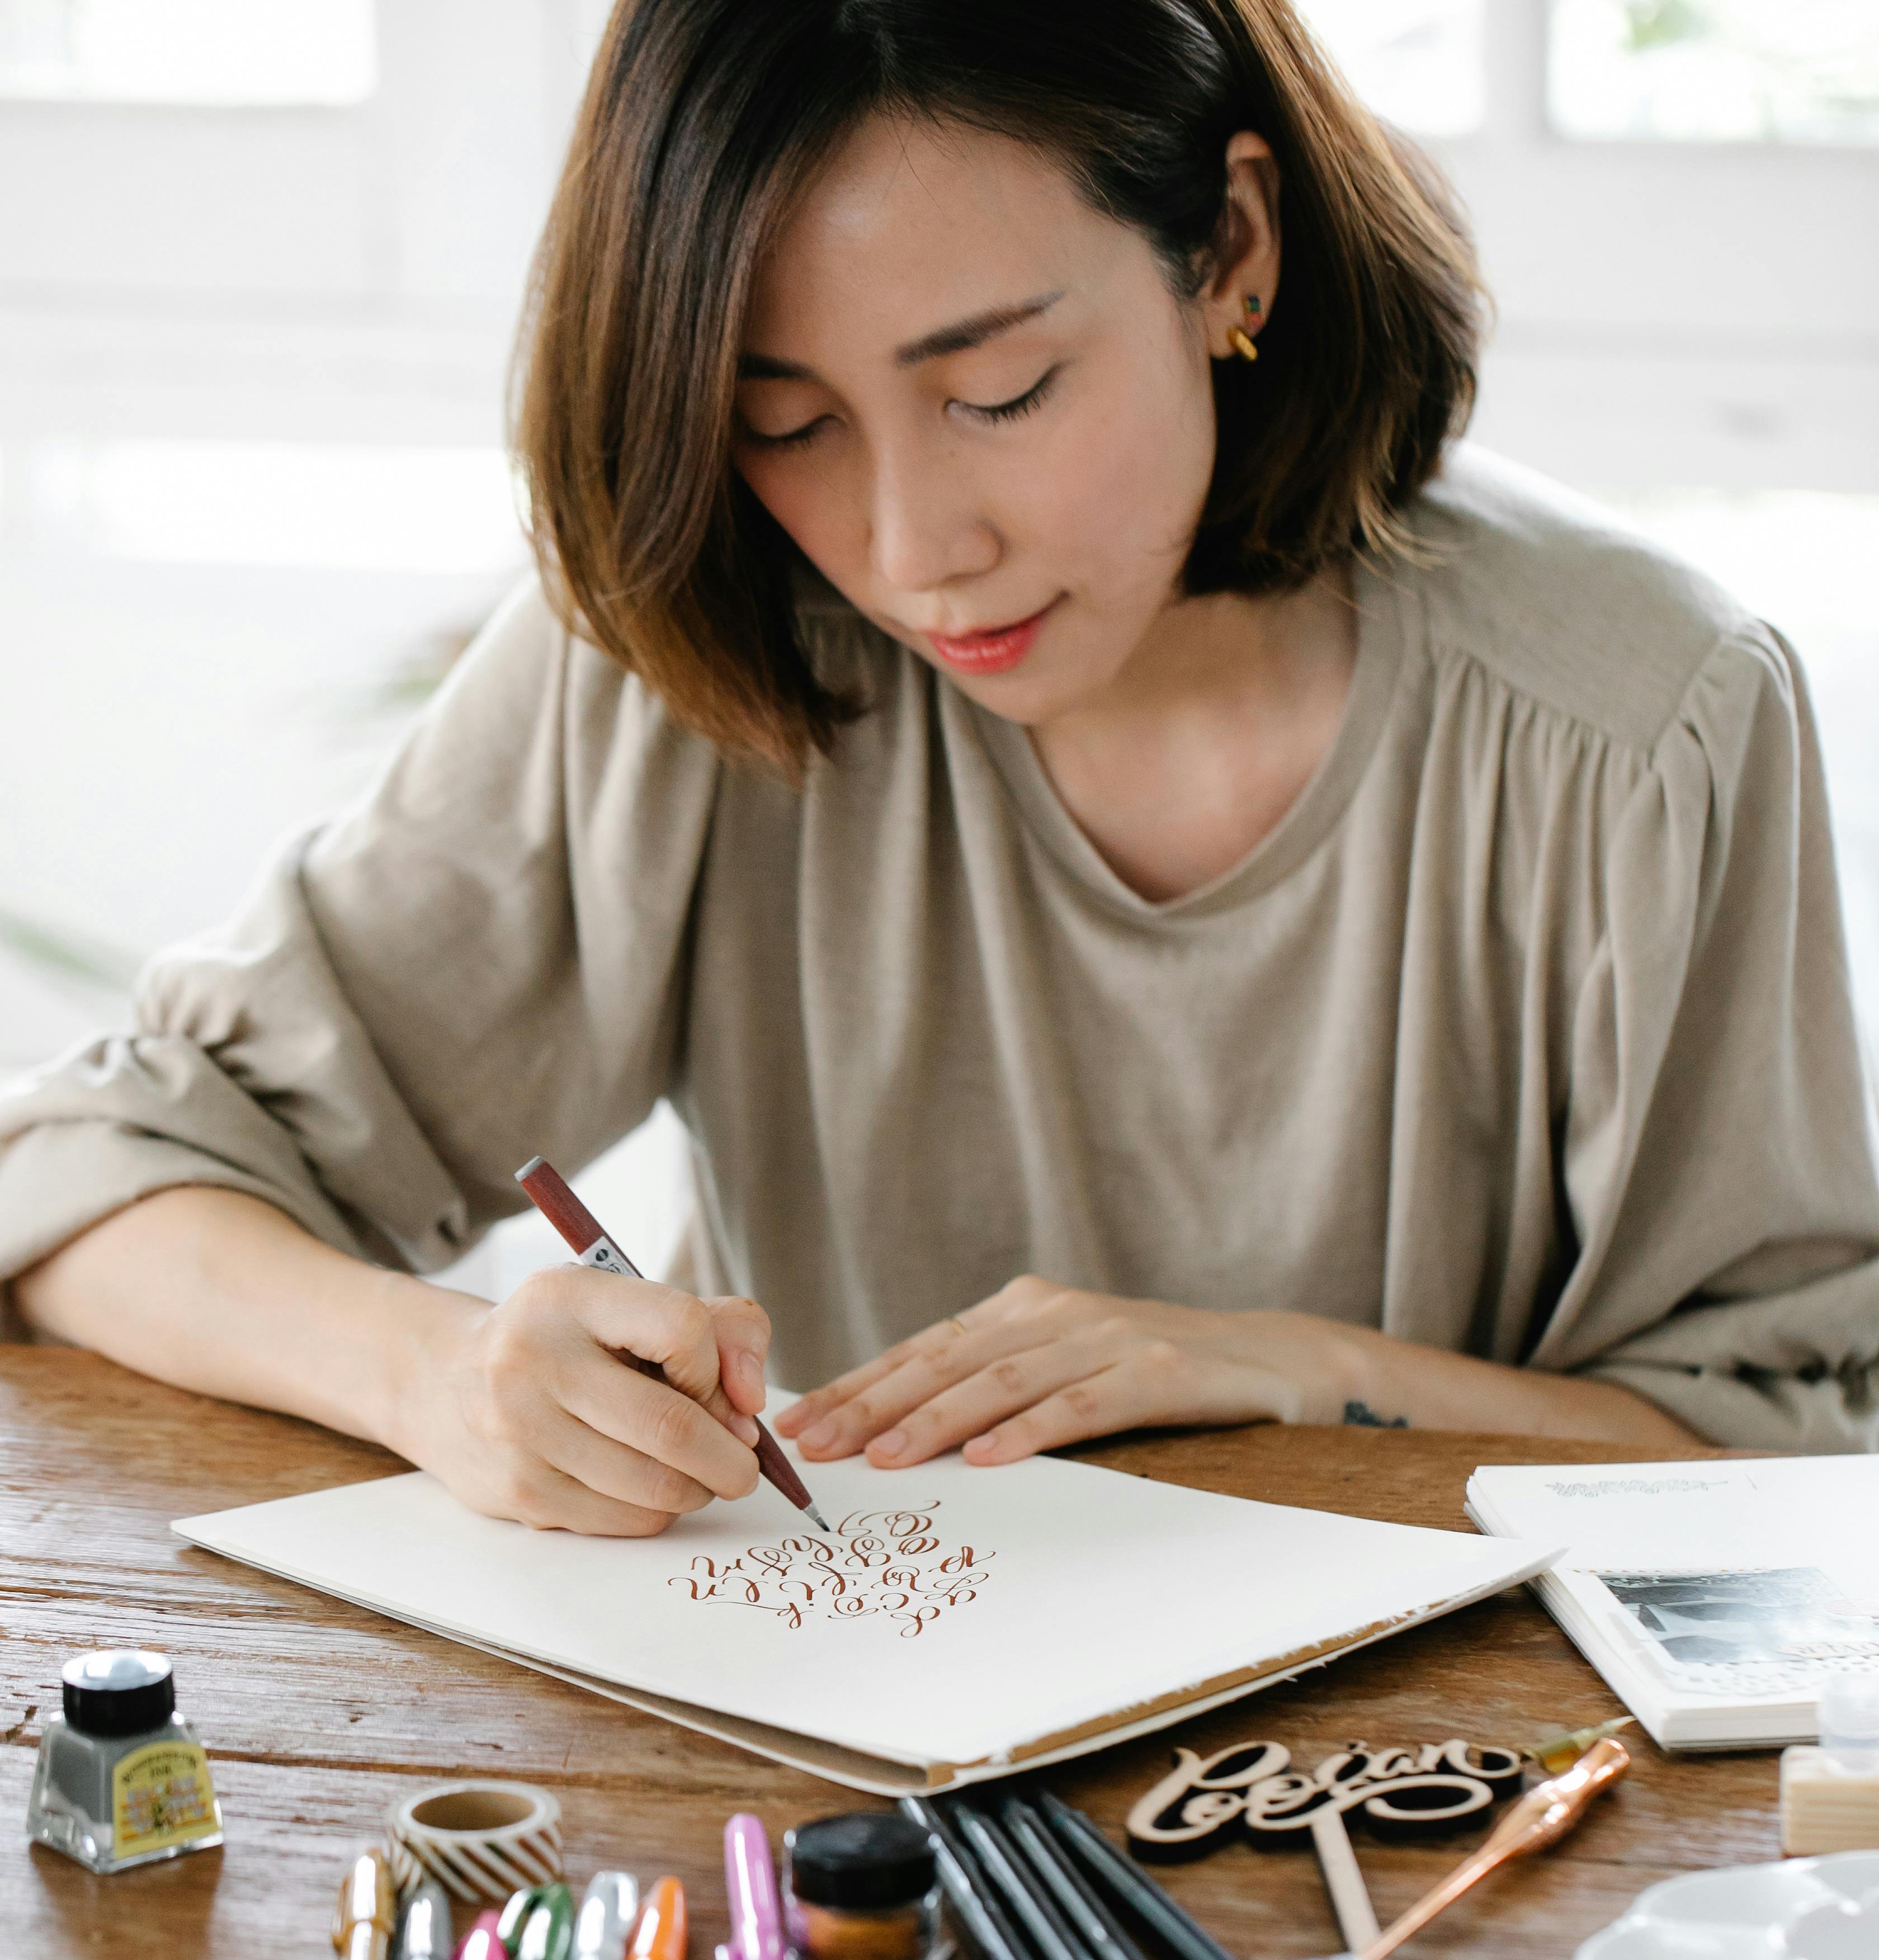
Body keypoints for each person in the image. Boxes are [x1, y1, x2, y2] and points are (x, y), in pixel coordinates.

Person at [4, 0, 1877, 1542]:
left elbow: (1802, 1449)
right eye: (787, 423)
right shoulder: (699, 652)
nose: (911, 551)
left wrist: (1283, 1370)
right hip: (817, 1789)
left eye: (998, 396)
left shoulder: (1643, 723)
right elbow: (88, 1175)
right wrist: (438, 1370)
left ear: (1230, 246)